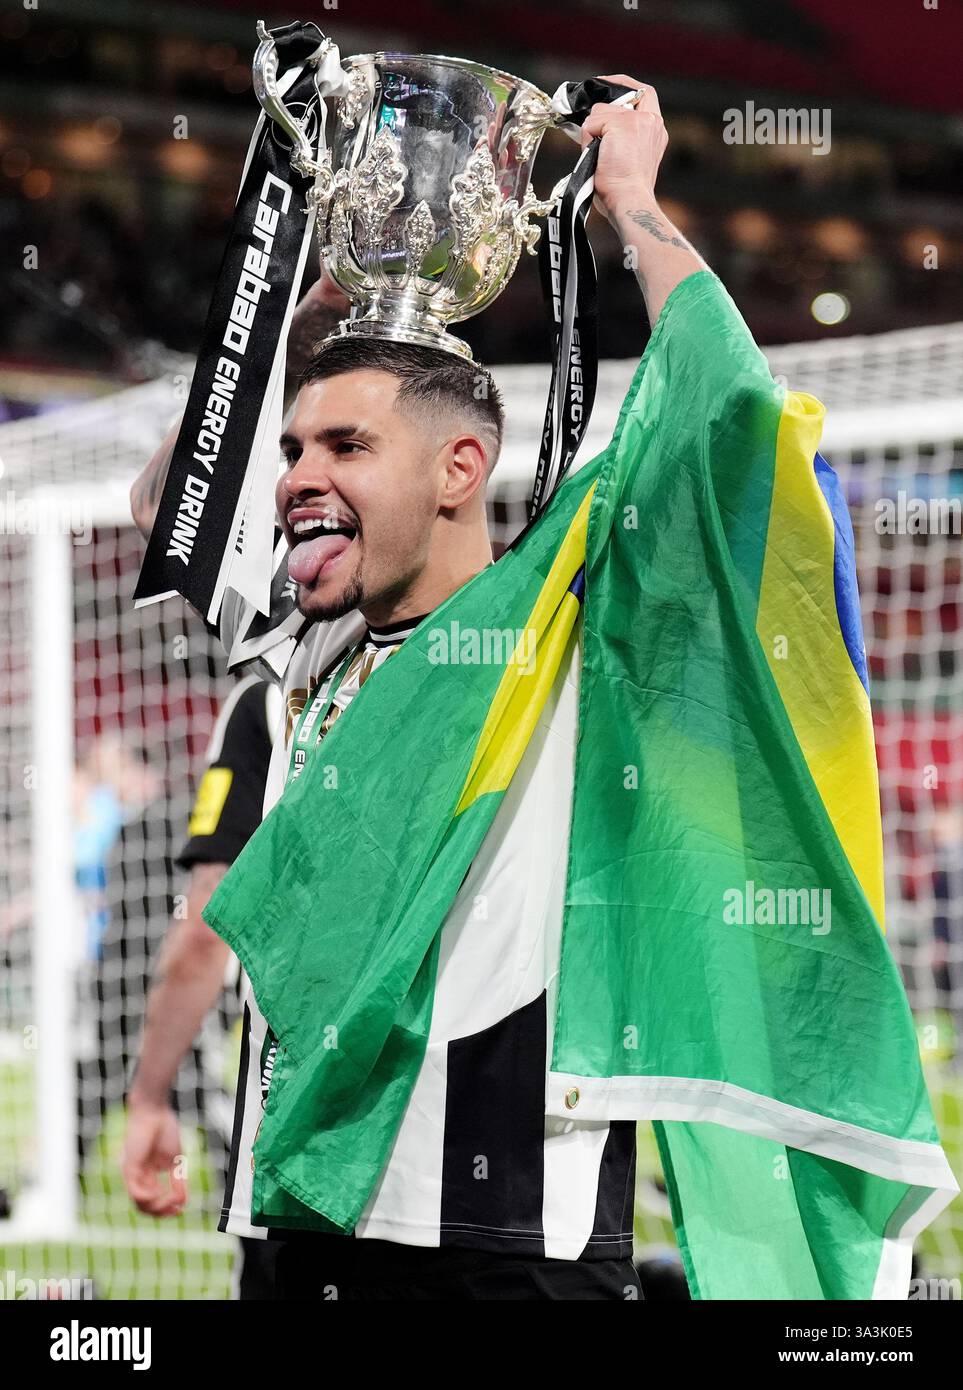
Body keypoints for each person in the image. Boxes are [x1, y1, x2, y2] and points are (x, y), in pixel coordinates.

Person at [129, 79, 953, 1301]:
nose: (299, 475)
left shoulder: (571, 629)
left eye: (346, 448)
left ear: (463, 467)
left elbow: (725, 407)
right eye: (296, 451)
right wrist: (294, 332)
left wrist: (630, 202)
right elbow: (169, 512)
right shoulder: (304, 644)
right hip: (296, 1216)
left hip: (503, 1242)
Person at [122, 675, 285, 1299]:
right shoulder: (509, 656)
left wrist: (149, 1097)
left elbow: (206, 926)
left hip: (301, 1115)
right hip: (483, 1140)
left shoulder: (272, 693)